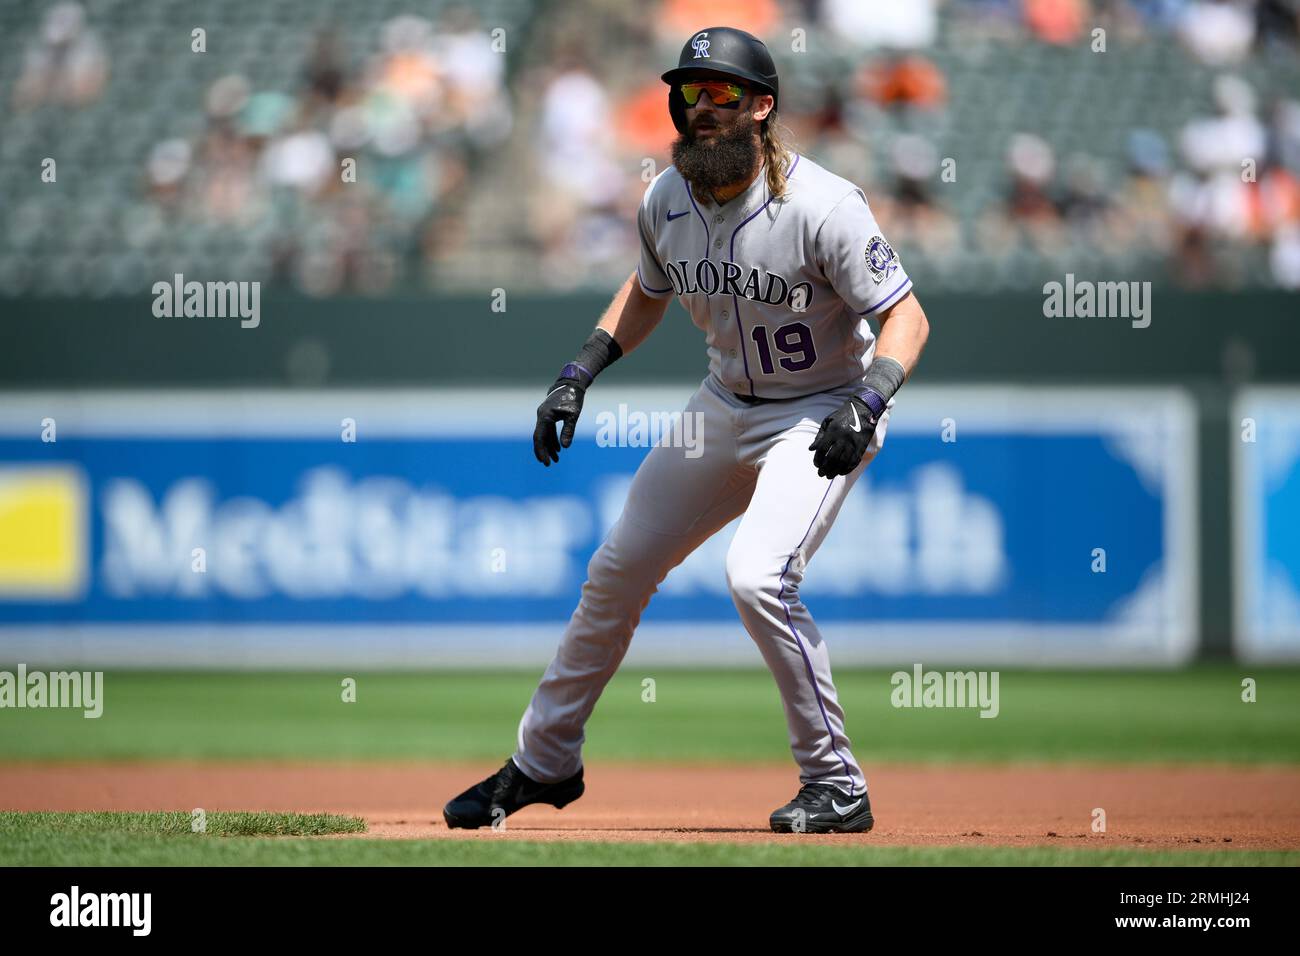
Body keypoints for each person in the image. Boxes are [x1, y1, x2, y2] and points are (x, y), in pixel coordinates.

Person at [443, 26, 930, 835]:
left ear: (762, 107)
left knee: (757, 576)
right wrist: (578, 372)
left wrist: (869, 402)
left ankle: (835, 783)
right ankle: (545, 760)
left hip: (821, 407)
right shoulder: (666, 197)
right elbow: (645, 293)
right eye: (689, 92)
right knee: (617, 568)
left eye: (721, 93)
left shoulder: (823, 205)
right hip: (723, 402)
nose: (701, 108)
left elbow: (906, 317)